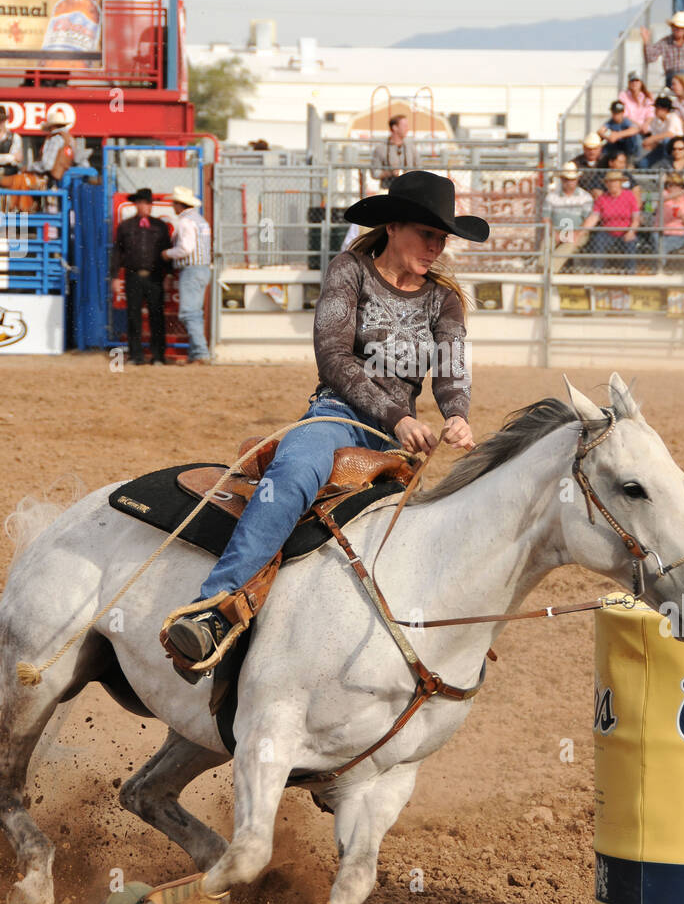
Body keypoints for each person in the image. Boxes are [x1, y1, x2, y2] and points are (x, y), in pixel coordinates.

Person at [164, 169, 490, 674]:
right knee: (294, 475)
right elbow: (335, 357)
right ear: (393, 227)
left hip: (399, 437)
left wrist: (458, 415)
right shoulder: (350, 270)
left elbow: (451, 367)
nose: (437, 247)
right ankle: (215, 608)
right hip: (338, 414)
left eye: (442, 238)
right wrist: (399, 415)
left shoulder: (443, 297)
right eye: (428, 234)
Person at [110, 188, 171, 365]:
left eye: (148, 203)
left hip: (155, 276)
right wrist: (115, 277)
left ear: (151, 206)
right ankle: (136, 355)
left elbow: (166, 250)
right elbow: (118, 253)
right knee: (133, 315)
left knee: (156, 315)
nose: (145, 206)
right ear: (136, 205)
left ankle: (158, 355)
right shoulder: (126, 226)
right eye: (142, 203)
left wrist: (168, 275)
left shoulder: (160, 226)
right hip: (133, 275)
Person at [161, 186, 213, 364]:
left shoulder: (185, 222)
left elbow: (185, 249)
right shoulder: (200, 220)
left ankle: (200, 352)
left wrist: (167, 253)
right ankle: (196, 353)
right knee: (195, 312)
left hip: (191, 269)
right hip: (202, 268)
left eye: (174, 203)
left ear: (178, 205)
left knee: (189, 312)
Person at [581, 169, 641, 273]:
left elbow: (636, 218)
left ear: (620, 183)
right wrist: (582, 231)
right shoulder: (602, 198)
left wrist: (631, 231)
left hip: (626, 230)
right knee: (597, 241)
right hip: (607, 232)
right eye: (610, 181)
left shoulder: (629, 195)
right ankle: (595, 273)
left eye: (615, 181)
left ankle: (630, 274)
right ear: (606, 184)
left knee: (631, 243)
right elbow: (594, 217)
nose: (613, 184)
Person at [543, 163, 593, 270]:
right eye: (566, 179)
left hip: (577, 231)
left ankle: (549, 270)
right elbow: (546, 218)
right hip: (556, 231)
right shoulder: (552, 196)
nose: (569, 182)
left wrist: (577, 233)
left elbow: (588, 219)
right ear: (561, 180)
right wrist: (553, 232)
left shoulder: (585, 197)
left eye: (572, 179)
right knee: (547, 243)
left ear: (577, 180)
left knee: (569, 243)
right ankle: (541, 270)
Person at [641, 12, 684, 88]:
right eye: (676, 27)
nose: (679, 29)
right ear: (672, 27)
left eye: (681, 27)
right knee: (678, 80)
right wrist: (646, 42)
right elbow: (650, 57)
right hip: (672, 77)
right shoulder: (665, 42)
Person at [657, 173, 684, 265]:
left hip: (677, 233)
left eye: (677, 185)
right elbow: (663, 198)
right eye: (670, 185)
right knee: (659, 245)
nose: (673, 187)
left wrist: (682, 215)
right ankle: (660, 269)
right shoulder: (665, 193)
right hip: (660, 232)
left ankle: (660, 269)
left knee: (661, 248)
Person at [637, 95, 684, 169]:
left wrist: (652, 139)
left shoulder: (673, 117)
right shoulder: (656, 121)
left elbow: (670, 134)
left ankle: (668, 165)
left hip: (675, 148)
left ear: (665, 109)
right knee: (642, 164)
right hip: (661, 147)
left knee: (667, 141)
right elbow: (657, 139)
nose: (655, 110)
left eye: (658, 108)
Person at [371, 115, 417, 188]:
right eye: (404, 126)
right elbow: (375, 173)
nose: (407, 129)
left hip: (409, 189)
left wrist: (410, 174)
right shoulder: (381, 148)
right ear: (395, 128)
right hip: (388, 189)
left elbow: (419, 168)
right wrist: (390, 173)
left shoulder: (411, 147)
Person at [33, 113, 74, 187]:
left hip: (51, 179)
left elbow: (47, 165)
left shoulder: (55, 139)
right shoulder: (70, 139)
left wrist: (31, 167)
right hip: (65, 179)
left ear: (52, 126)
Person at [0, 107, 23, 181]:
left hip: (10, 179)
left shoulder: (15, 137)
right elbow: (15, 158)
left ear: (5, 120)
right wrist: (11, 157)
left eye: (1, 119)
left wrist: (13, 159)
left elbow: (16, 161)